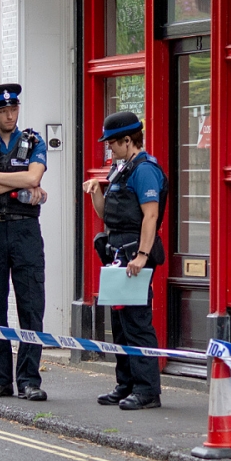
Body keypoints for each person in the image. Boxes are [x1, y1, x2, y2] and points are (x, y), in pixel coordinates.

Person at [82, 111, 168, 410]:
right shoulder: (121, 169)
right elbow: (108, 216)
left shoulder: (145, 170)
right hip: (119, 251)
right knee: (120, 322)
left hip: (135, 253)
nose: (109, 149)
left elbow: (151, 215)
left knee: (137, 322)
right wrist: (96, 192)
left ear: (129, 140)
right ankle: (126, 384)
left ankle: (147, 390)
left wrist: (142, 255)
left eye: (113, 143)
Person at [0, 83, 48, 402]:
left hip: (25, 231)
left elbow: (33, 179)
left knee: (31, 305)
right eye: (2, 111)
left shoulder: (33, 142)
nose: (9, 115)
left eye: (13, 109)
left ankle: (29, 379)